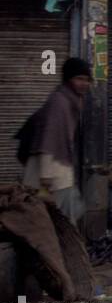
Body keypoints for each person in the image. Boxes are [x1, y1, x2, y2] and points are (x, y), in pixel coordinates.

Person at [19, 57, 92, 222]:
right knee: (57, 222)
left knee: (67, 217)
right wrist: (46, 177)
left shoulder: (71, 100)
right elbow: (49, 138)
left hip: (60, 174)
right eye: (79, 78)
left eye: (87, 79)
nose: (84, 83)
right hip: (51, 176)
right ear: (68, 79)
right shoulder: (60, 101)